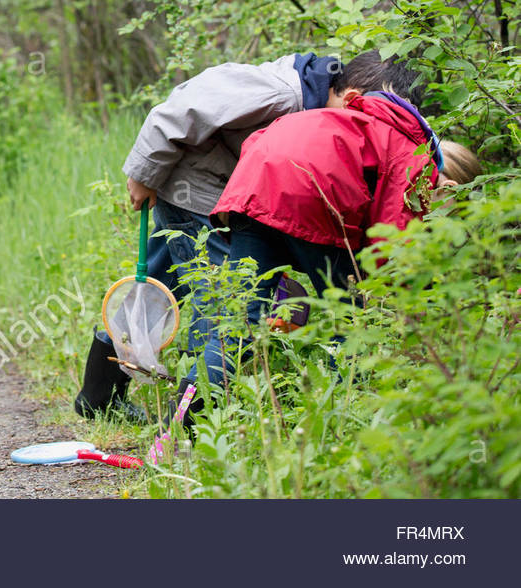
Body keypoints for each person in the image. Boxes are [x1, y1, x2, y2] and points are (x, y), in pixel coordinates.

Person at [74, 50, 427, 421]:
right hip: (196, 190)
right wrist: (143, 172)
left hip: (228, 192)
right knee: (225, 299)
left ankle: (98, 396)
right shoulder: (282, 92)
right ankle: (194, 418)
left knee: (159, 284)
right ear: (347, 92)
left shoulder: (315, 103)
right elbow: (184, 107)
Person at [209, 93, 480, 380]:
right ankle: (344, 406)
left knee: (240, 323)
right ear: (449, 188)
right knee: (352, 323)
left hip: (254, 180)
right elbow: (391, 248)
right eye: (448, 216)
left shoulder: (376, 128)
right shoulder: (417, 165)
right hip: (308, 188)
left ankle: (182, 410)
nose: (435, 225)